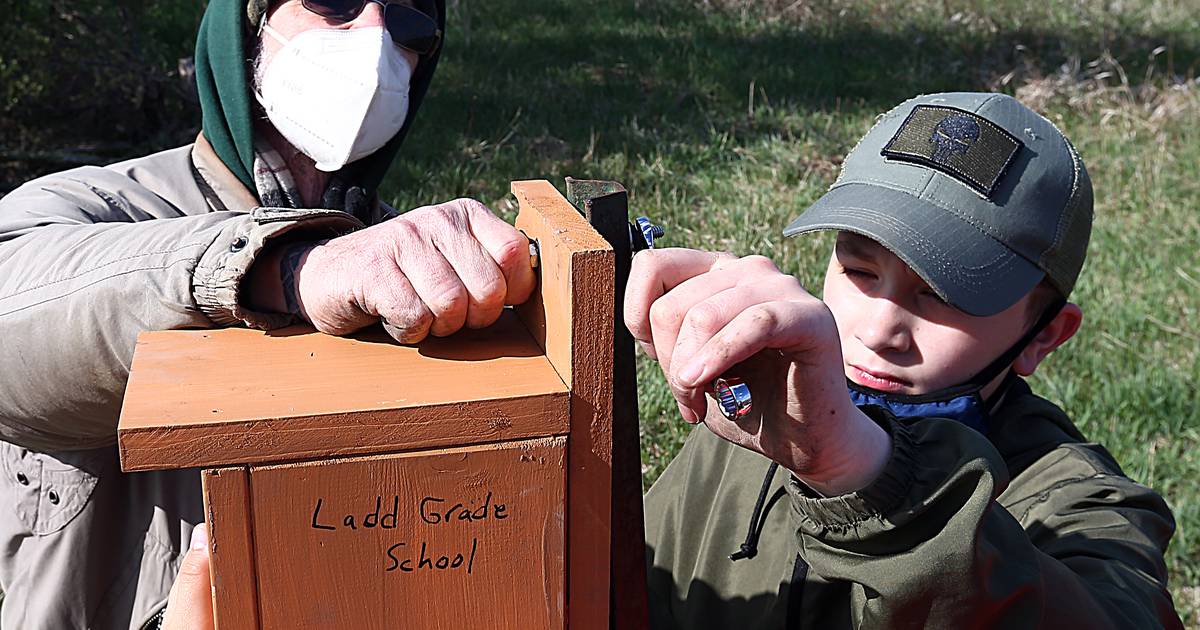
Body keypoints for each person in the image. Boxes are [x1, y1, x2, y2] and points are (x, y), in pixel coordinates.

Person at [0, 0, 534, 627]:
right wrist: (281, 268)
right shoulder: (95, 206)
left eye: (409, 23)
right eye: (332, 1)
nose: (373, 38)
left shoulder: (412, 267)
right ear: (245, 25)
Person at [627, 92, 1182, 628]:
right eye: (859, 272)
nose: (877, 330)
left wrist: (864, 472)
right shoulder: (759, 410)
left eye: (941, 296)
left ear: (1044, 335)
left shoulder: (1078, 504)